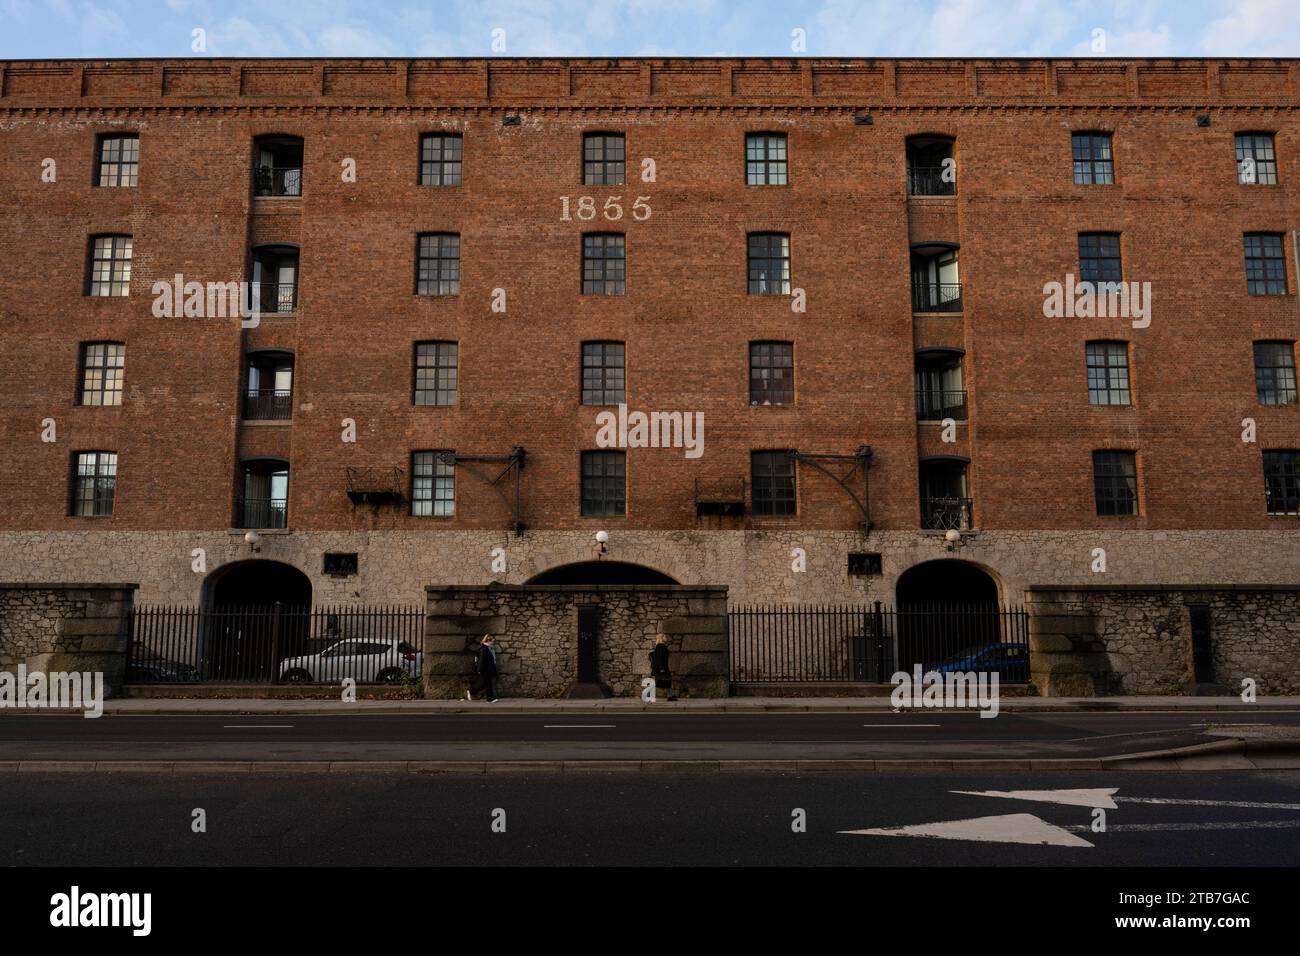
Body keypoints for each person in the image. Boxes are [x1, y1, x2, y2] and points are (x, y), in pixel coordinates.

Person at [649, 633, 676, 701]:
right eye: (665, 637)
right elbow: (659, 658)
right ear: (661, 638)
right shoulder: (660, 646)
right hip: (662, 668)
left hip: (663, 667)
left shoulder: (660, 646)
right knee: (662, 681)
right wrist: (661, 668)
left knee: (665, 681)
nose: (666, 638)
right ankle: (648, 694)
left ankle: (670, 696)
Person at [473, 634, 499, 702]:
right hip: (485, 669)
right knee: (488, 684)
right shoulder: (484, 649)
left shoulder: (490, 648)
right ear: (488, 640)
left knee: (486, 684)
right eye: (493, 640)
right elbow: (482, 660)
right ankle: (489, 699)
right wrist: (479, 670)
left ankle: (471, 691)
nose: (494, 641)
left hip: (489, 668)